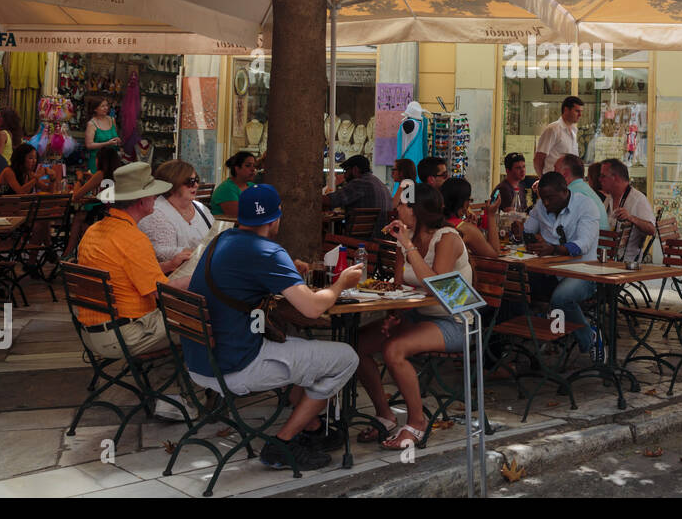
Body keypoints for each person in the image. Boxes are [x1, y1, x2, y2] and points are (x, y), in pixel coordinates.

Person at [184, 185, 363, 469]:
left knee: (299, 346)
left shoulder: (221, 240)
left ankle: (314, 425)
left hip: (200, 362)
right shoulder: (267, 252)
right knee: (345, 357)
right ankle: (282, 443)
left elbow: (242, 277)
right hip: (237, 366)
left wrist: (287, 270)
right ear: (275, 218)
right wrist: (341, 284)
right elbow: (314, 308)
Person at [354, 184, 472, 450]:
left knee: (394, 349)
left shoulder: (448, 239)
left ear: (417, 210)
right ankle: (385, 415)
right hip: (418, 316)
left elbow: (435, 286)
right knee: (358, 344)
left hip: (455, 321)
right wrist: (393, 315)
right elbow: (399, 286)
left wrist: (407, 245)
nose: (397, 208)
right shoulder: (404, 240)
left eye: (403, 205)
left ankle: (416, 422)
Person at [75, 163, 190, 368]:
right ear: (142, 201)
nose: (156, 198)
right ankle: (171, 393)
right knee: (200, 324)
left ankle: (166, 388)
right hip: (124, 334)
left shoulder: (95, 229)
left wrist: (170, 264)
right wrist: (200, 276)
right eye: (153, 194)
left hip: (93, 331)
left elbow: (125, 271)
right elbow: (162, 293)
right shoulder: (133, 238)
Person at [519, 172, 603, 354]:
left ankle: (590, 337)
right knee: (515, 285)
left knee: (561, 298)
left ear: (565, 192)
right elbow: (527, 230)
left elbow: (583, 245)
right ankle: (538, 335)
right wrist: (524, 234)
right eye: (543, 198)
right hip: (549, 271)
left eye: (550, 198)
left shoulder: (586, 206)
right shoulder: (541, 206)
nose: (546, 203)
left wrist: (553, 248)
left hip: (583, 272)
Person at [138, 159, 212, 268]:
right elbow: (161, 253)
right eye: (190, 182)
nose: (196, 185)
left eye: (197, 180)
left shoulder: (201, 209)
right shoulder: (156, 213)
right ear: (172, 184)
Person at [601, 158, 655, 258]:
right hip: (606, 257)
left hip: (627, 262)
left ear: (616, 178)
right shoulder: (609, 198)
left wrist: (631, 218)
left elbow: (652, 229)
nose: (600, 180)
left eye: (603, 176)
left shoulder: (637, 199)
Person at [322, 154, 392, 224]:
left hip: (363, 234)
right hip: (382, 233)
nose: (344, 175)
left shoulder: (360, 183)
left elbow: (331, 201)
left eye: (346, 170)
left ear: (355, 170)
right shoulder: (381, 184)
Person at [441, 176, 501, 257]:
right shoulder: (466, 229)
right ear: (464, 202)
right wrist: (491, 215)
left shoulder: (434, 222)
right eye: (469, 200)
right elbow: (494, 253)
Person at [554, 154, 610, 230]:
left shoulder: (571, 193)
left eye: (555, 170)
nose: (553, 174)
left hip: (596, 240)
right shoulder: (584, 188)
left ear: (565, 173)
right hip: (602, 239)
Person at [533, 96, 583, 176]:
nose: (580, 115)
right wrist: (542, 179)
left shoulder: (574, 131)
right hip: (554, 180)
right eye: (577, 111)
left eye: (581, 111)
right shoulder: (553, 129)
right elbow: (539, 158)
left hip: (569, 181)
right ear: (566, 110)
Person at [211, 151, 257, 219]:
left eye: (254, 166)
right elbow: (240, 217)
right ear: (237, 169)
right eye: (248, 165)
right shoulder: (226, 189)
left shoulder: (252, 186)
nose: (253, 169)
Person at [83, 97, 122, 173]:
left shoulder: (112, 120)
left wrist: (118, 140)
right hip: (97, 162)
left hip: (112, 161)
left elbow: (115, 136)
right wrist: (107, 143)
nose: (106, 108)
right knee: (98, 183)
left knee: (110, 183)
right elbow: (89, 145)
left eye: (106, 105)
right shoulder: (91, 124)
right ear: (95, 109)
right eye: (102, 106)